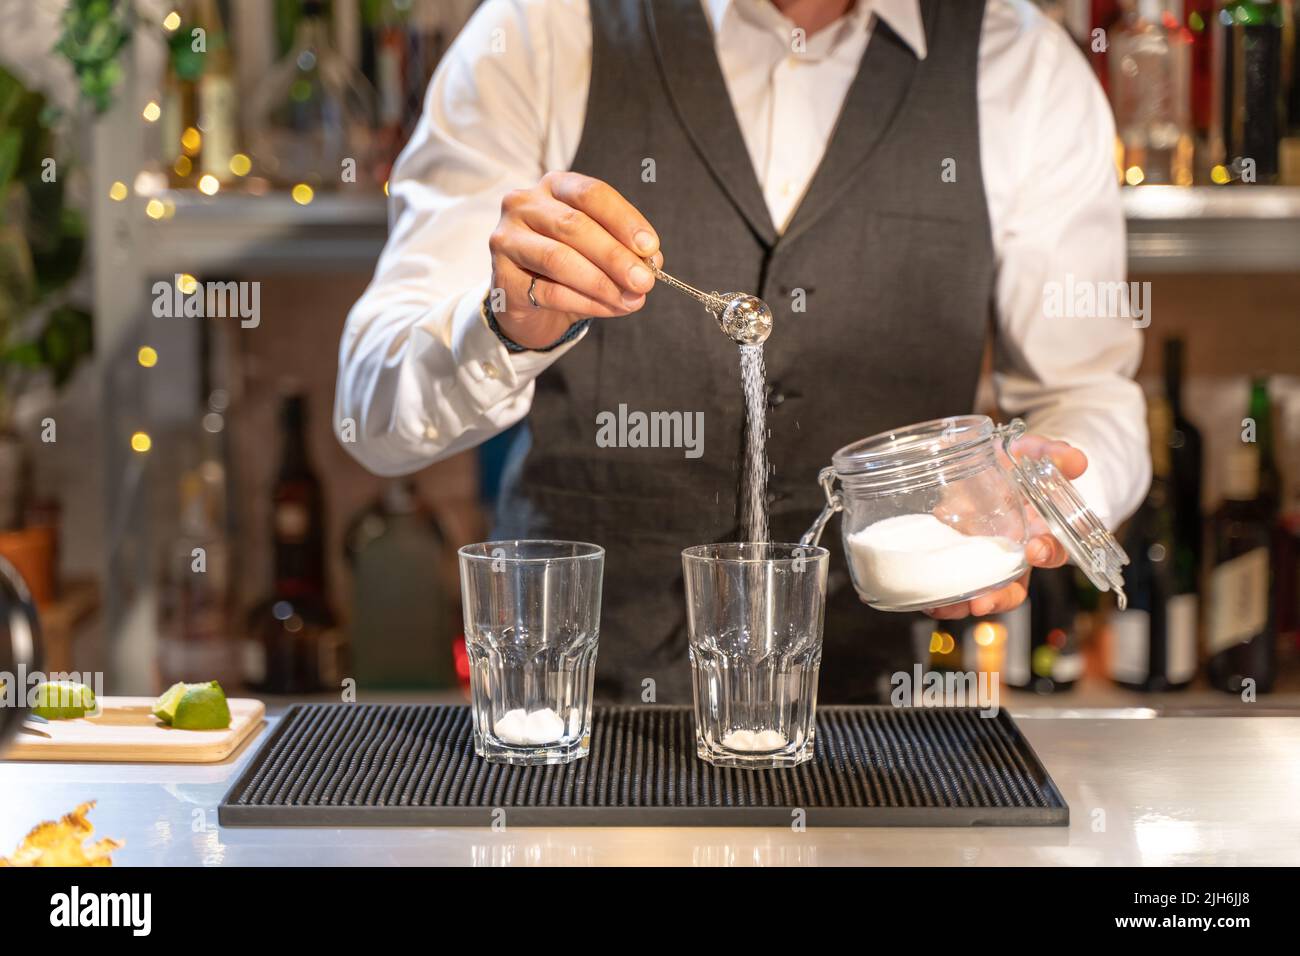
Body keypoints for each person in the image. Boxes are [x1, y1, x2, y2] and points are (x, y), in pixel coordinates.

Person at [335, 0, 1150, 703]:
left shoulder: (1027, 68)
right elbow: (372, 418)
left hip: (883, 725)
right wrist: (505, 323)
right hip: (571, 719)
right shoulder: (540, 33)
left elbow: (1090, 392)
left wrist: (1043, 494)